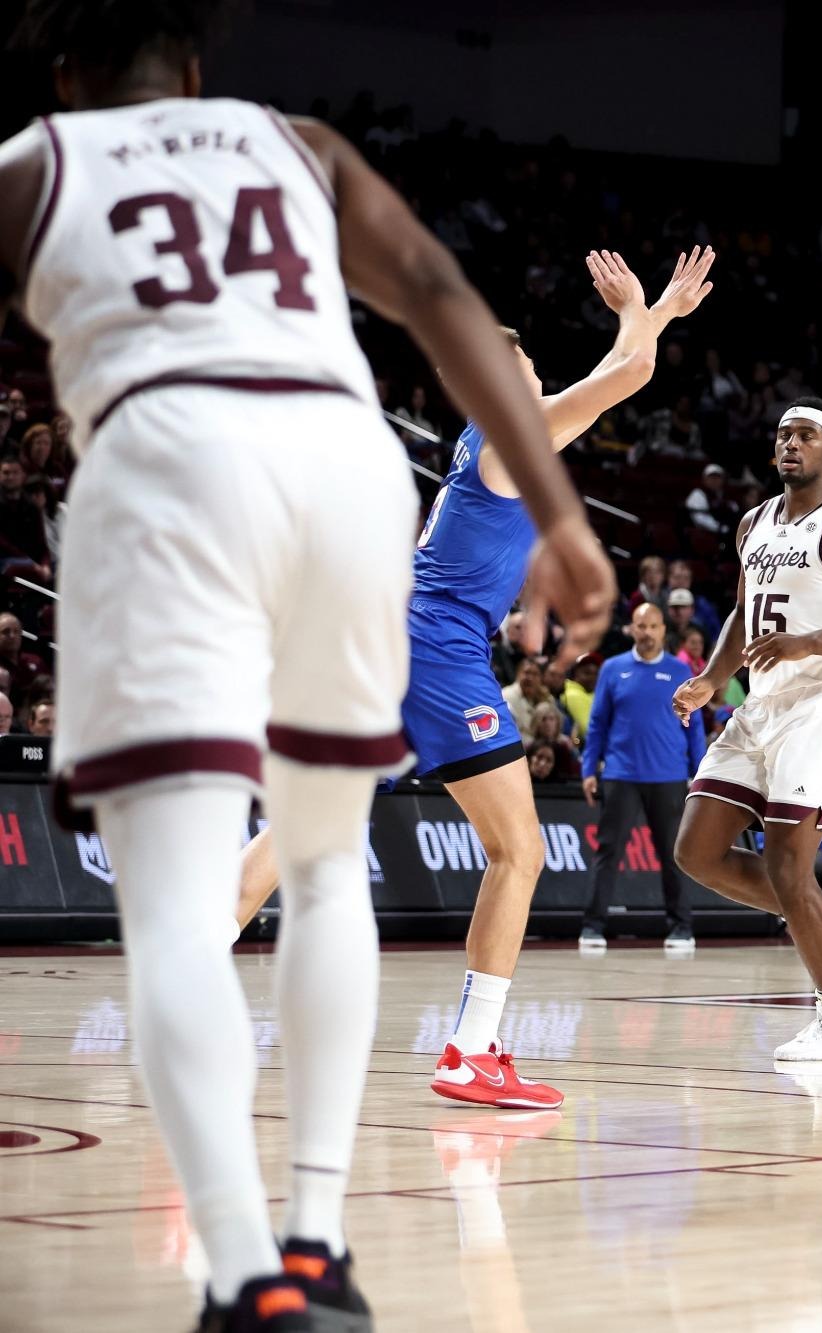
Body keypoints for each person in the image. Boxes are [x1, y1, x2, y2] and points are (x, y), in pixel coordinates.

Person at [0, 5, 614, 1328]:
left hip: (171, 462)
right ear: (202, 72)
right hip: (343, 475)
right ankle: (321, 1248)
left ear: (65, 80)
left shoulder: (36, 163)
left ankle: (238, 1273)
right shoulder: (302, 146)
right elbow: (445, 301)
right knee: (328, 861)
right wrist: (566, 524)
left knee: (178, 901)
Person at [228, 245, 713, 1118]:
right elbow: (631, 370)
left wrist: (650, 320)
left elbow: (614, 372)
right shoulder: (506, 433)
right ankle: (471, 1049)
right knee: (520, 850)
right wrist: (651, 309)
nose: (537, 379)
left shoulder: (486, 441)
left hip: (390, 641)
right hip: (439, 656)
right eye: (525, 369)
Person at [671, 399, 822, 1061]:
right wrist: (713, 677)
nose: (790, 443)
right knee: (696, 852)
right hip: (763, 703)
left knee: (786, 864)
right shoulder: (754, 522)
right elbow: (746, 611)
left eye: (805, 434)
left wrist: (810, 642)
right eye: (782, 433)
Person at [576, 602, 707, 949]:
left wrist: (701, 772)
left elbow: (694, 729)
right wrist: (589, 769)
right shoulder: (612, 669)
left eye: (652, 626)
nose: (646, 632)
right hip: (621, 775)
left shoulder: (681, 670)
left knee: (673, 855)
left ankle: (681, 927)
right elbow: (597, 724)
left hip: (668, 776)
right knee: (608, 853)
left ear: (664, 630)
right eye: (640, 626)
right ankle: (593, 926)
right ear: (631, 629)